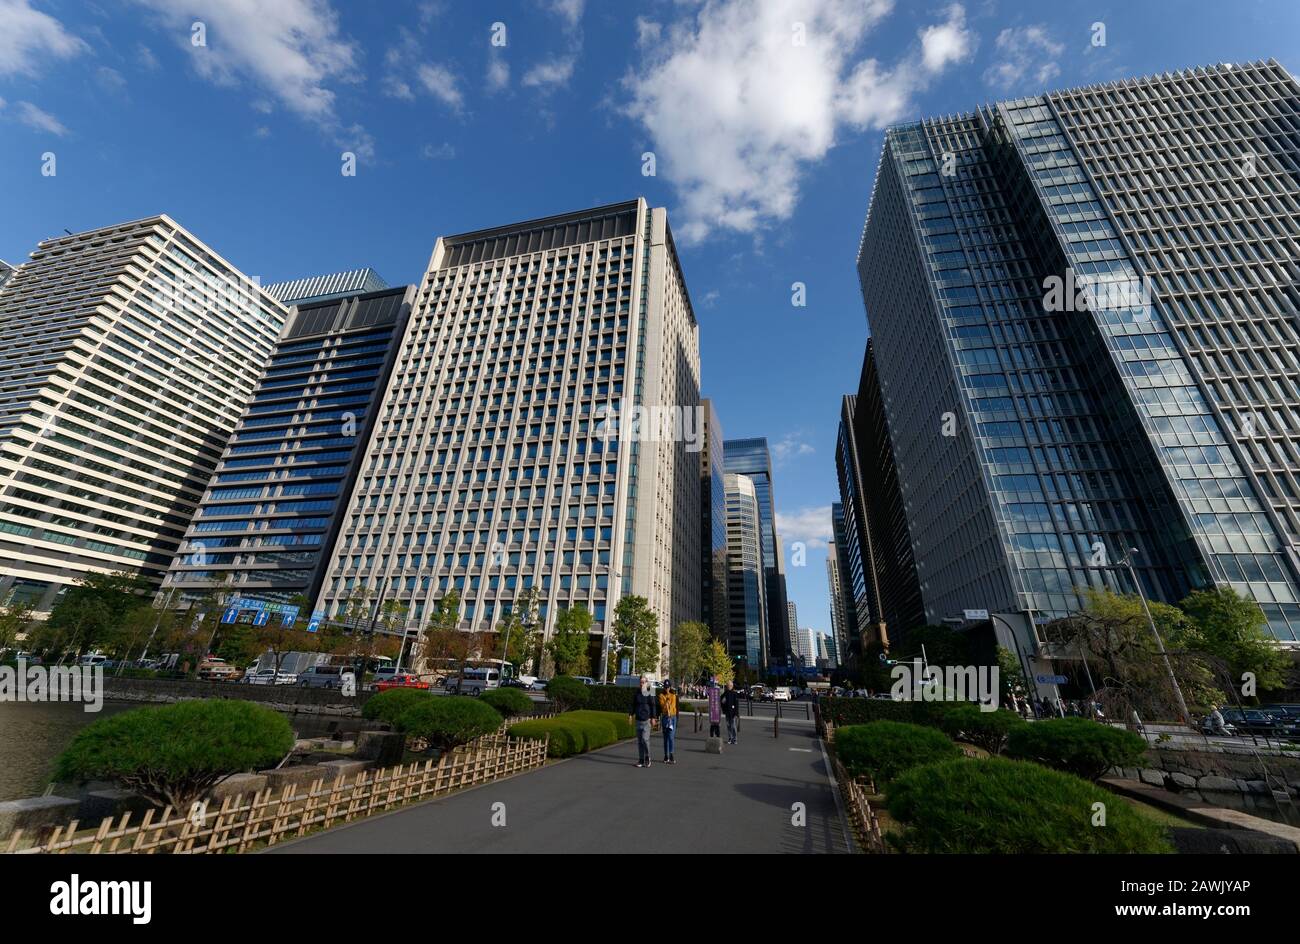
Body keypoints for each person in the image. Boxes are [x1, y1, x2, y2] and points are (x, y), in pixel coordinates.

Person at [629, 674, 659, 767]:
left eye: (643, 682)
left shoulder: (651, 691)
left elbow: (653, 705)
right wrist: (630, 715)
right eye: (640, 682)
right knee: (639, 741)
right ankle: (641, 760)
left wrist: (653, 717)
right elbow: (633, 705)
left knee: (645, 739)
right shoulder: (637, 692)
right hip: (638, 719)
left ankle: (647, 757)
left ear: (647, 683)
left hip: (647, 720)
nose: (642, 684)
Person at [658, 679, 678, 763]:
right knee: (665, 737)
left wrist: (668, 703)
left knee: (671, 736)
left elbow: (673, 706)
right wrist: (666, 703)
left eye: (668, 687)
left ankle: (671, 754)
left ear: (670, 687)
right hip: (665, 717)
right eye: (665, 687)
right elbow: (663, 707)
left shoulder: (673, 696)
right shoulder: (661, 696)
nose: (667, 689)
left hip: (672, 717)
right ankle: (666, 755)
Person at [721, 679, 741, 745]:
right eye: (728, 685)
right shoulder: (725, 693)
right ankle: (730, 738)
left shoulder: (734, 694)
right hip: (727, 712)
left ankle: (735, 739)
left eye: (730, 685)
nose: (729, 686)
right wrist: (723, 709)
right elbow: (721, 701)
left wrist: (736, 713)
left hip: (732, 713)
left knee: (733, 726)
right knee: (728, 726)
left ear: (732, 686)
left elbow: (736, 704)